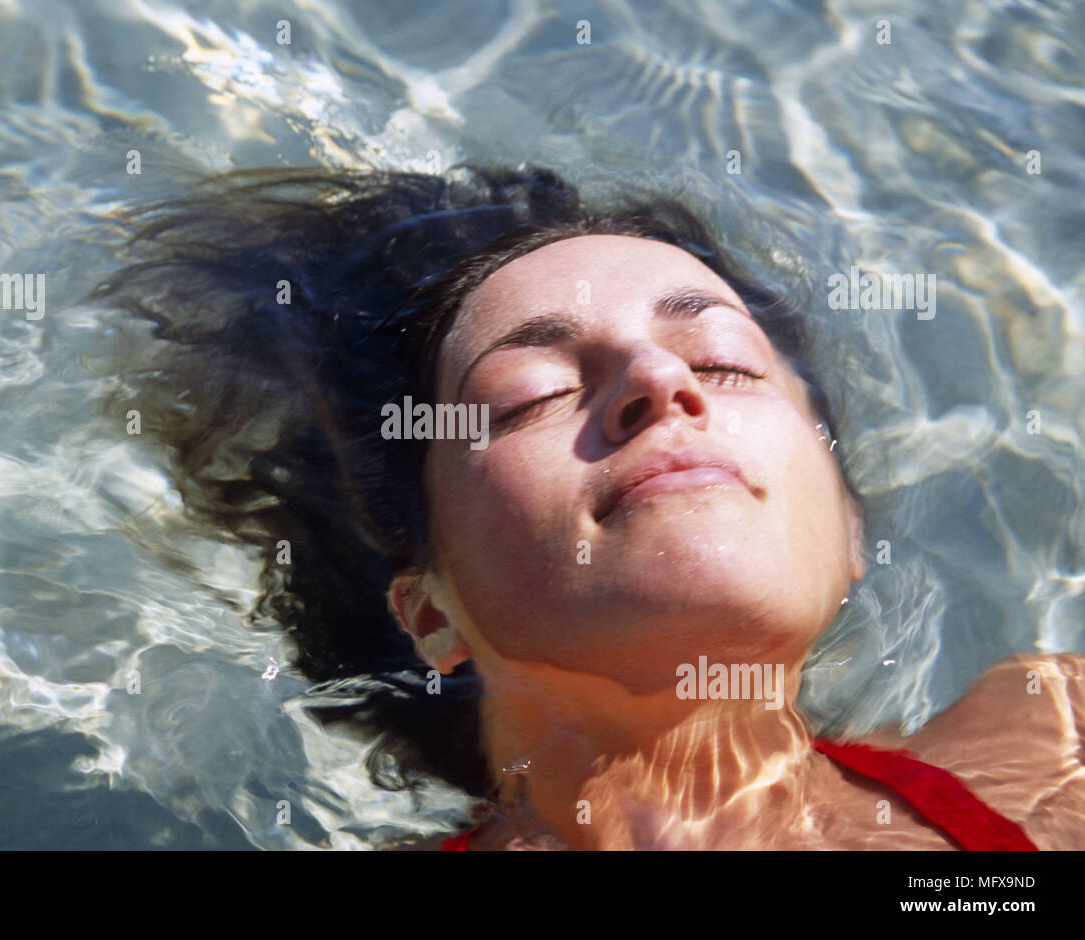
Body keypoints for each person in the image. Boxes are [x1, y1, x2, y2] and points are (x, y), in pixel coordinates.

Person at [94, 163, 1084, 850]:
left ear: (851, 530)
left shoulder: (1060, 736)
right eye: (530, 396)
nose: (661, 379)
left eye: (724, 364)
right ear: (430, 609)